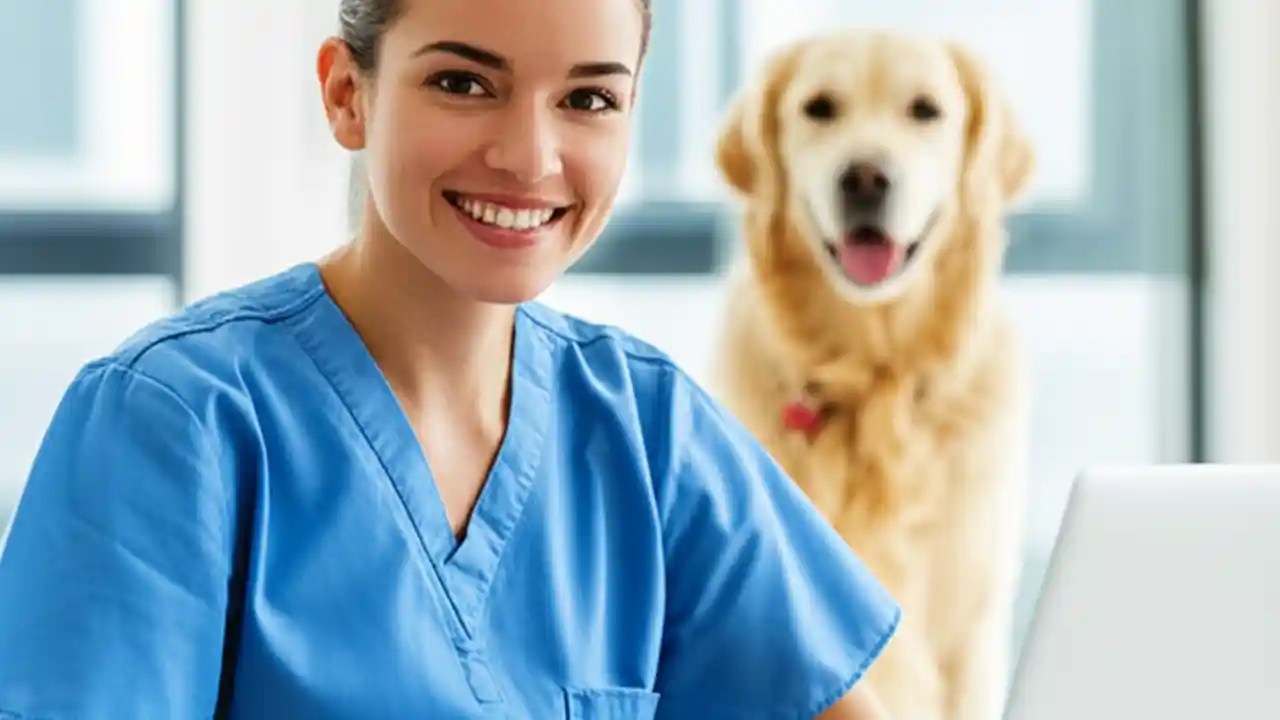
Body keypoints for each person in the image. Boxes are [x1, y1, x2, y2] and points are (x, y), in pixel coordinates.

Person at [0, 0, 900, 717]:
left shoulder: (648, 427)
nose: (528, 156)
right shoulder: (173, 420)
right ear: (348, 95)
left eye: (588, 99)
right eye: (465, 82)